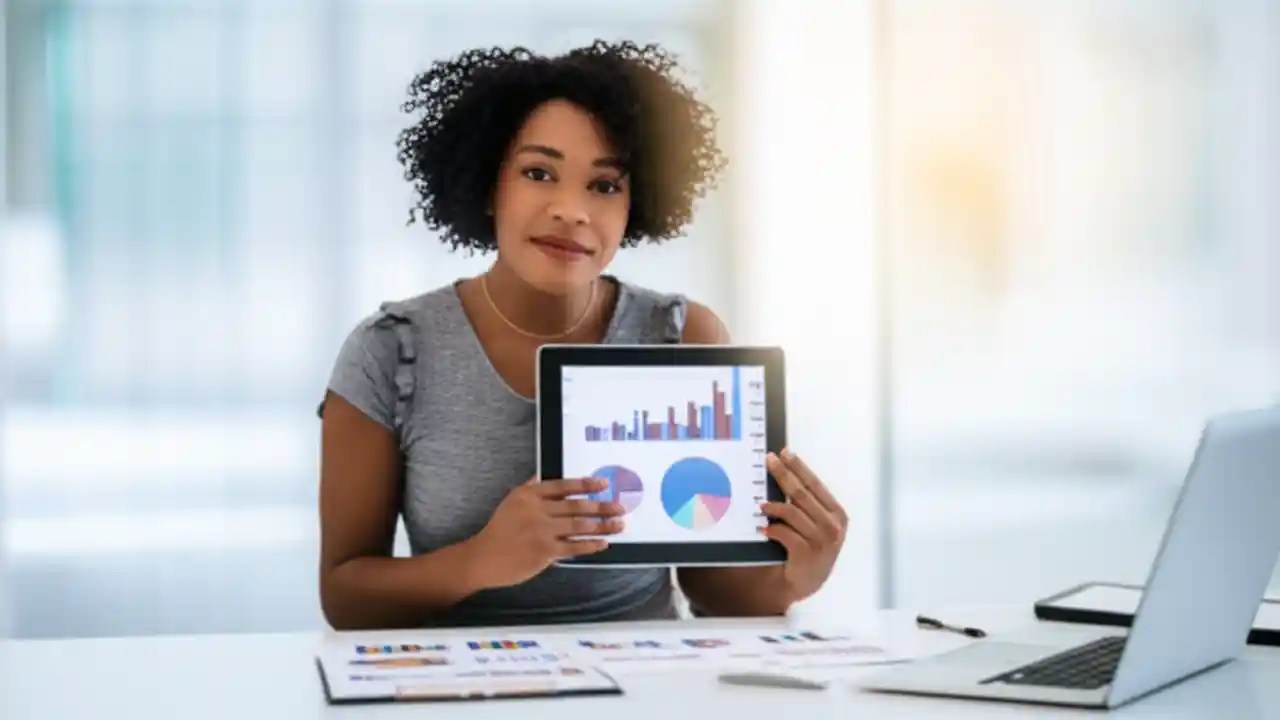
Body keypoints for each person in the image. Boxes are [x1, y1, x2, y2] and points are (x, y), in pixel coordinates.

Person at [318, 40, 848, 630]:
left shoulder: (682, 336)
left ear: (636, 202)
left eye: (604, 185)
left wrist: (793, 576)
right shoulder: (390, 351)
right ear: (489, 185)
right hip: (467, 683)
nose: (572, 210)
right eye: (538, 173)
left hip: (646, 684)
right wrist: (480, 562)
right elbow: (345, 596)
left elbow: (712, 591)